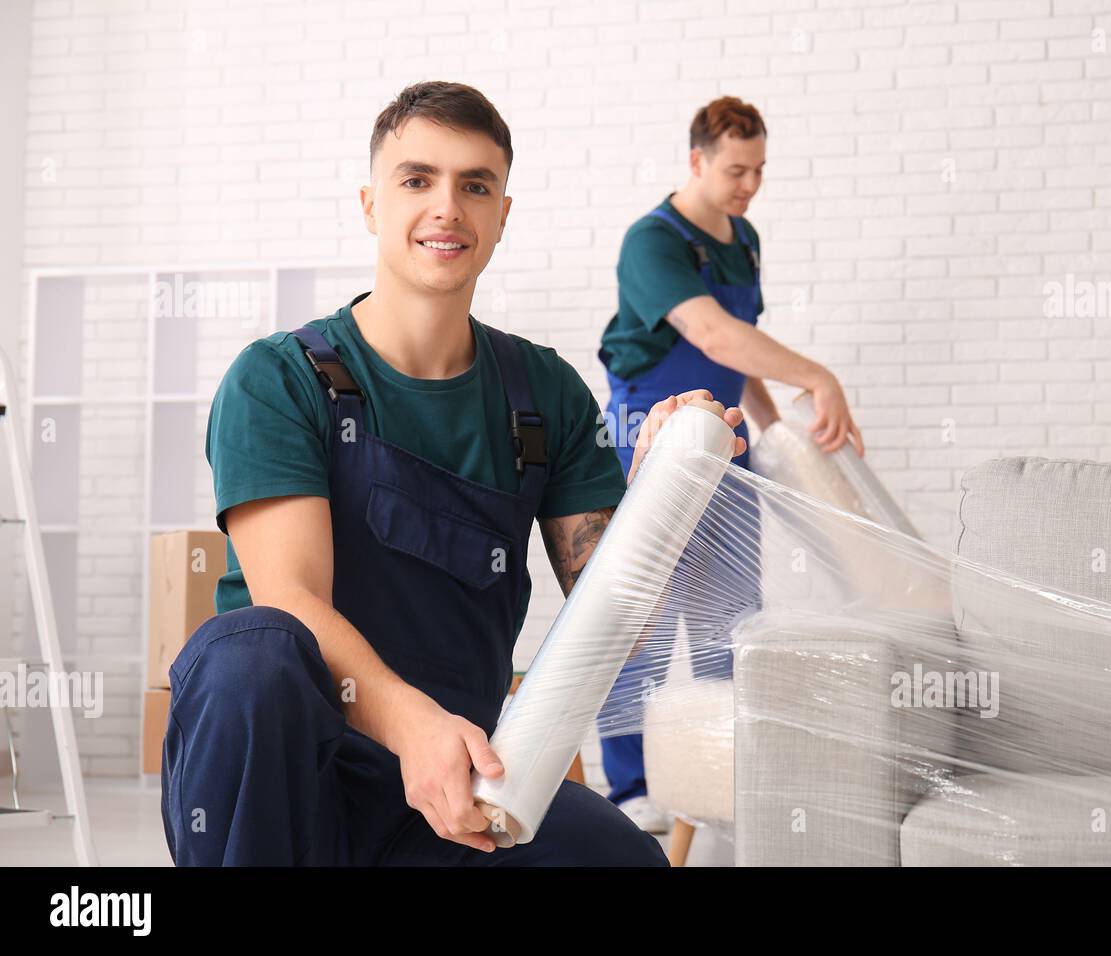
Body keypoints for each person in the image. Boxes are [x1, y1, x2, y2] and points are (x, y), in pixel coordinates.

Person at [160, 81, 744, 866]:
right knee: (253, 651)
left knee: (622, 860)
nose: (447, 207)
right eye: (416, 180)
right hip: (290, 785)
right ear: (371, 204)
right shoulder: (280, 378)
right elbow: (291, 600)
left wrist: (659, 496)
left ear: (502, 214)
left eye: (475, 185)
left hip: (456, 796)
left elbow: (627, 631)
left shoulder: (543, 397)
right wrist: (414, 729)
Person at [595, 95, 864, 831]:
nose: (749, 185)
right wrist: (818, 376)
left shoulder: (743, 238)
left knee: (730, 611)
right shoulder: (651, 242)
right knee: (646, 612)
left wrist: (780, 442)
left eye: (759, 170)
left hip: (730, 434)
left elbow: (740, 355)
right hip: (651, 432)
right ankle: (632, 785)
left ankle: (722, 762)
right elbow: (711, 334)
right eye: (736, 170)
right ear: (697, 161)